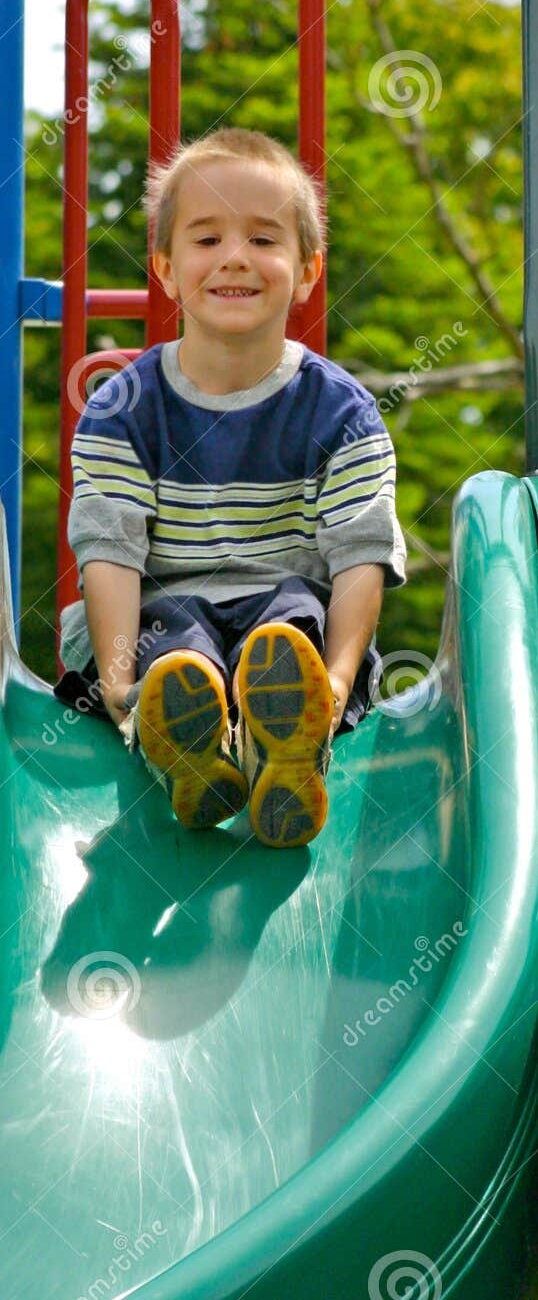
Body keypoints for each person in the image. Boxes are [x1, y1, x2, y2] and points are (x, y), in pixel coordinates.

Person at [56, 128, 406, 848]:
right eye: (207, 239)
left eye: (264, 240)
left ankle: (284, 735)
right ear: (165, 268)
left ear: (308, 270)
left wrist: (338, 683)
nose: (235, 258)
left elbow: (358, 560)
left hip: (288, 612)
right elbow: (110, 555)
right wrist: (118, 685)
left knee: (286, 626)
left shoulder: (342, 412)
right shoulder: (122, 408)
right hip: (162, 612)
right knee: (176, 643)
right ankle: (190, 740)